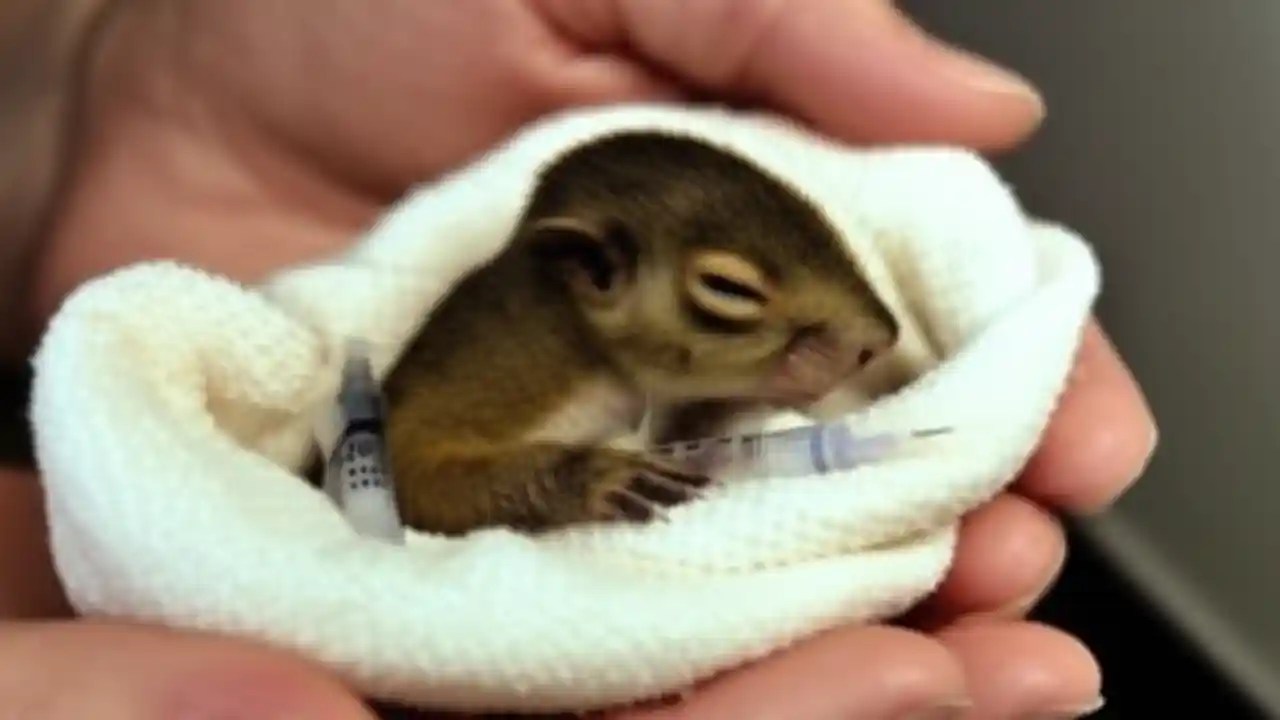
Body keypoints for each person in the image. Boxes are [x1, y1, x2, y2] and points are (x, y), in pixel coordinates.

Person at [0, 1, 1157, 717]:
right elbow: (423, 472)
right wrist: (568, 485)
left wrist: (86, 59)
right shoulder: (507, 364)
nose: (858, 347)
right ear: (588, 274)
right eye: (729, 298)